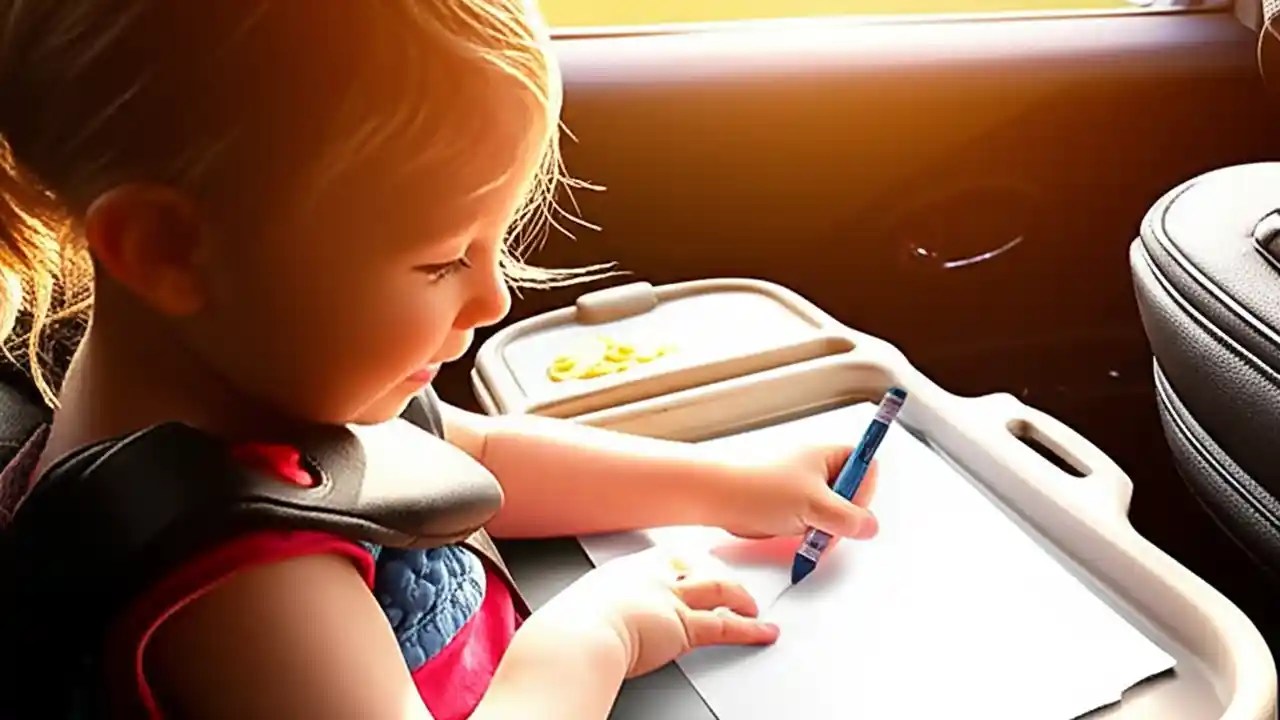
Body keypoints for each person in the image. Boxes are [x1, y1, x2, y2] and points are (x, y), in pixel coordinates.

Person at [0, 2, 880, 718]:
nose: (494, 300)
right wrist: (594, 638)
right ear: (167, 252)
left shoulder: (250, 381)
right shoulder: (244, 589)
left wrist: (729, 484)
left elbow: (466, 459)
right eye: (442, 261)